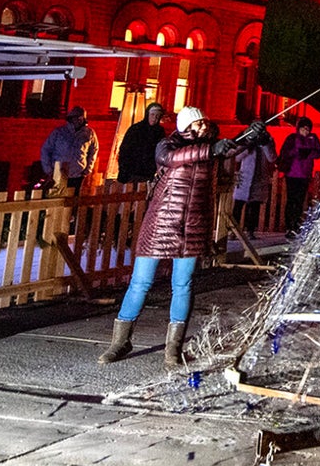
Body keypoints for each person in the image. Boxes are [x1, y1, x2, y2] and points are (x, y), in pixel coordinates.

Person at [99, 106, 266, 367]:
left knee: (183, 285)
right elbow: (172, 158)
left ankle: (173, 350)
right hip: (161, 224)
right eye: (198, 123)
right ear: (186, 126)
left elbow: (230, 147)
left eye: (204, 122)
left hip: (192, 227)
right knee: (141, 282)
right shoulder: (168, 145)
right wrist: (212, 150)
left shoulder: (211, 147)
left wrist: (250, 135)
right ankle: (120, 341)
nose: (203, 126)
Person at [230, 119, 277, 234]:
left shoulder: (268, 140)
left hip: (259, 178)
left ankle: (250, 231)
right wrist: (248, 146)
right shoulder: (246, 139)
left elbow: (272, 157)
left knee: (254, 207)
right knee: (238, 206)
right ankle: (233, 231)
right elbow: (236, 157)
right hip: (245, 177)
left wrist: (265, 144)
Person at [278, 115, 320, 233]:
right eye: (303, 128)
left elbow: (319, 153)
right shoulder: (292, 138)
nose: (305, 131)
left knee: (300, 201)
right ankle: (289, 225)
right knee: (291, 200)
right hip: (292, 174)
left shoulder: (313, 138)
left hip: (305, 174)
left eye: (308, 129)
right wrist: (297, 152)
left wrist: (308, 153)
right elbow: (285, 152)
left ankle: (296, 224)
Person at [40, 105, 98, 189]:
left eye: (81, 118)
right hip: (59, 173)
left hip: (78, 175)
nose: (78, 120)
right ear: (71, 118)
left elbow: (93, 151)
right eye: (76, 118)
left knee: (74, 196)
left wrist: (87, 170)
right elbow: (46, 150)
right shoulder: (59, 132)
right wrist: (49, 170)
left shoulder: (89, 134)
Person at [114, 101, 166, 185]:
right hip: (131, 172)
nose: (154, 118)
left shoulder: (159, 132)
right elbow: (124, 151)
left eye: (157, 116)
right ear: (147, 114)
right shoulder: (135, 129)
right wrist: (124, 170)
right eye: (152, 115)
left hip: (148, 174)